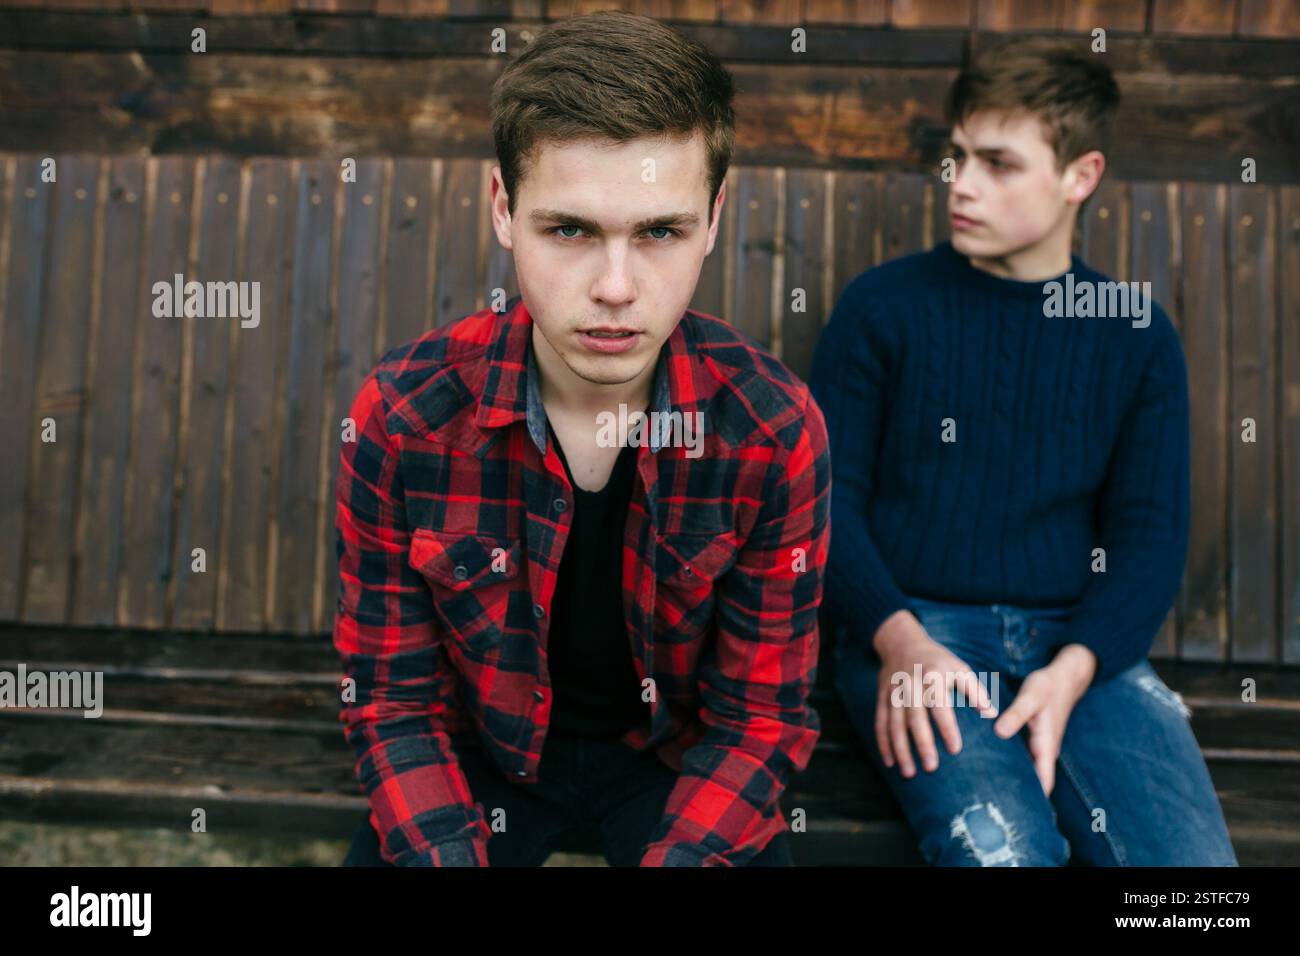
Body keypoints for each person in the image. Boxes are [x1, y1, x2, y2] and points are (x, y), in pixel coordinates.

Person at [333, 9, 830, 867]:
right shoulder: (406, 413)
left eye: (659, 232)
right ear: (503, 208)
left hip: (671, 765)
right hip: (480, 761)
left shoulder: (772, 429)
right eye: (570, 230)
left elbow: (759, 718)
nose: (614, 287)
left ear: (713, 220)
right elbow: (394, 704)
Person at [808, 38, 1237, 866]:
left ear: (1080, 176)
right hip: (919, 633)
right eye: (958, 156)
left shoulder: (1135, 335)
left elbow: (1148, 539)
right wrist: (898, 642)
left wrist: (1074, 669)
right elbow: (826, 505)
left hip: (1082, 648)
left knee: (1194, 884)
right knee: (1003, 856)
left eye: (999, 164)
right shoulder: (883, 310)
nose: (960, 185)